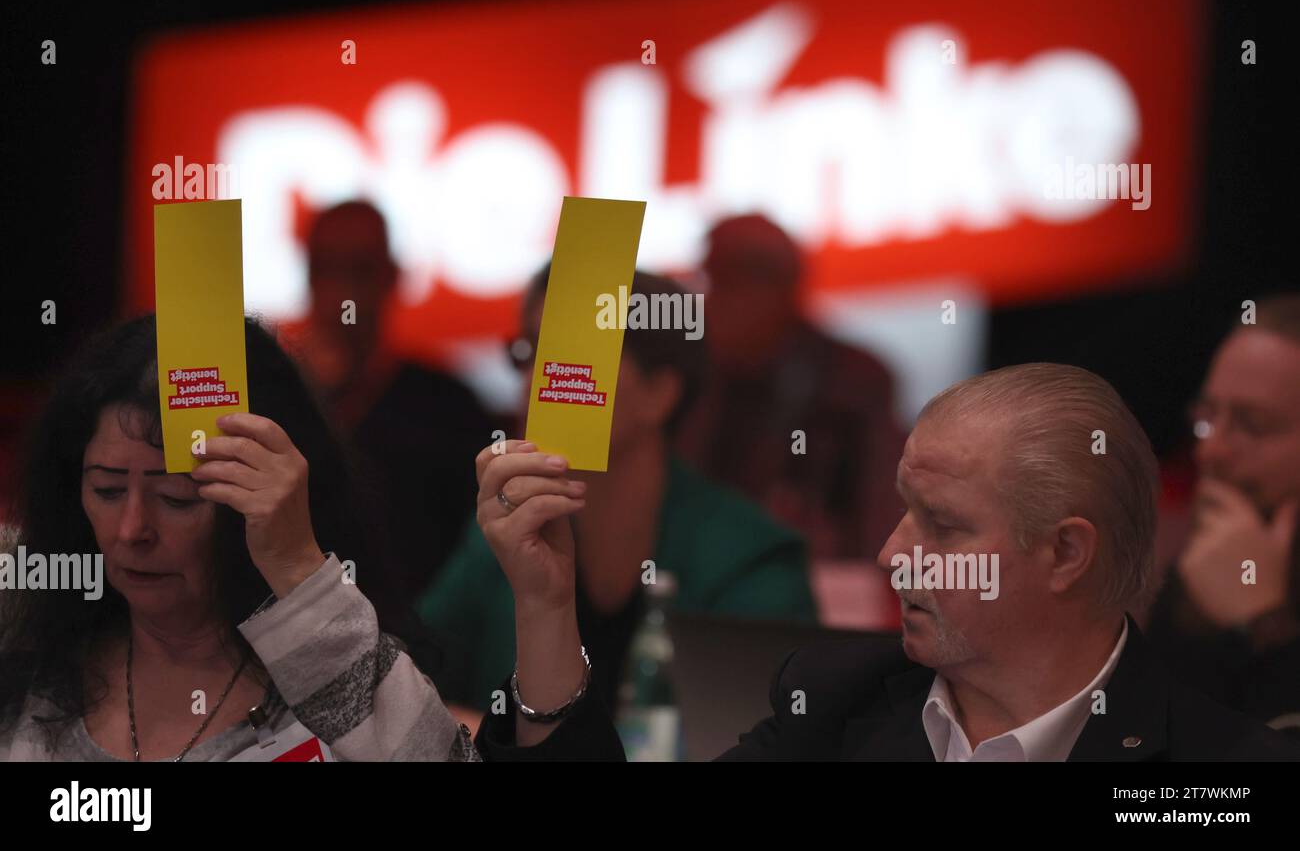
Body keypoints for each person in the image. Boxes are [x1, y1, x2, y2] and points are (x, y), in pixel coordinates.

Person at [477, 363, 1299, 760]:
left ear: (1065, 552)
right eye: (904, 509)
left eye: (940, 525)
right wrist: (548, 610)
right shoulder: (834, 705)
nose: (891, 553)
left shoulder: (1219, 772)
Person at [0, 314, 619, 761]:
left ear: (270, 500)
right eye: (107, 490)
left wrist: (297, 563)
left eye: (176, 498)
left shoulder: (345, 694)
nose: (133, 529)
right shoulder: (23, 648)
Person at [417, 269, 818, 715]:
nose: (534, 382)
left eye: (569, 357)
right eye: (528, 353)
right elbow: (406, 687)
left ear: (659, 394)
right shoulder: (503, 533)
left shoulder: (752, 560)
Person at [280, 199, 493, 606]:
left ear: (392, 277)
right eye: (325, 267)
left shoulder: (450, 409)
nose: (342, 291)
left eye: (359, 269)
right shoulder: (271, 401)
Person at [675, 214, 904, 560]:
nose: (704, 300)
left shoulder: (855, 378)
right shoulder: (693, 369)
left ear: (777, 291)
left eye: (717, 283)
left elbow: (879, 511)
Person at [1145, 295, 1300, 730]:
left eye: (1253, 425)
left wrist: (1264, 626)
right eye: (1207, 417)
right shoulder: (1196, 568)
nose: (1210, 449)